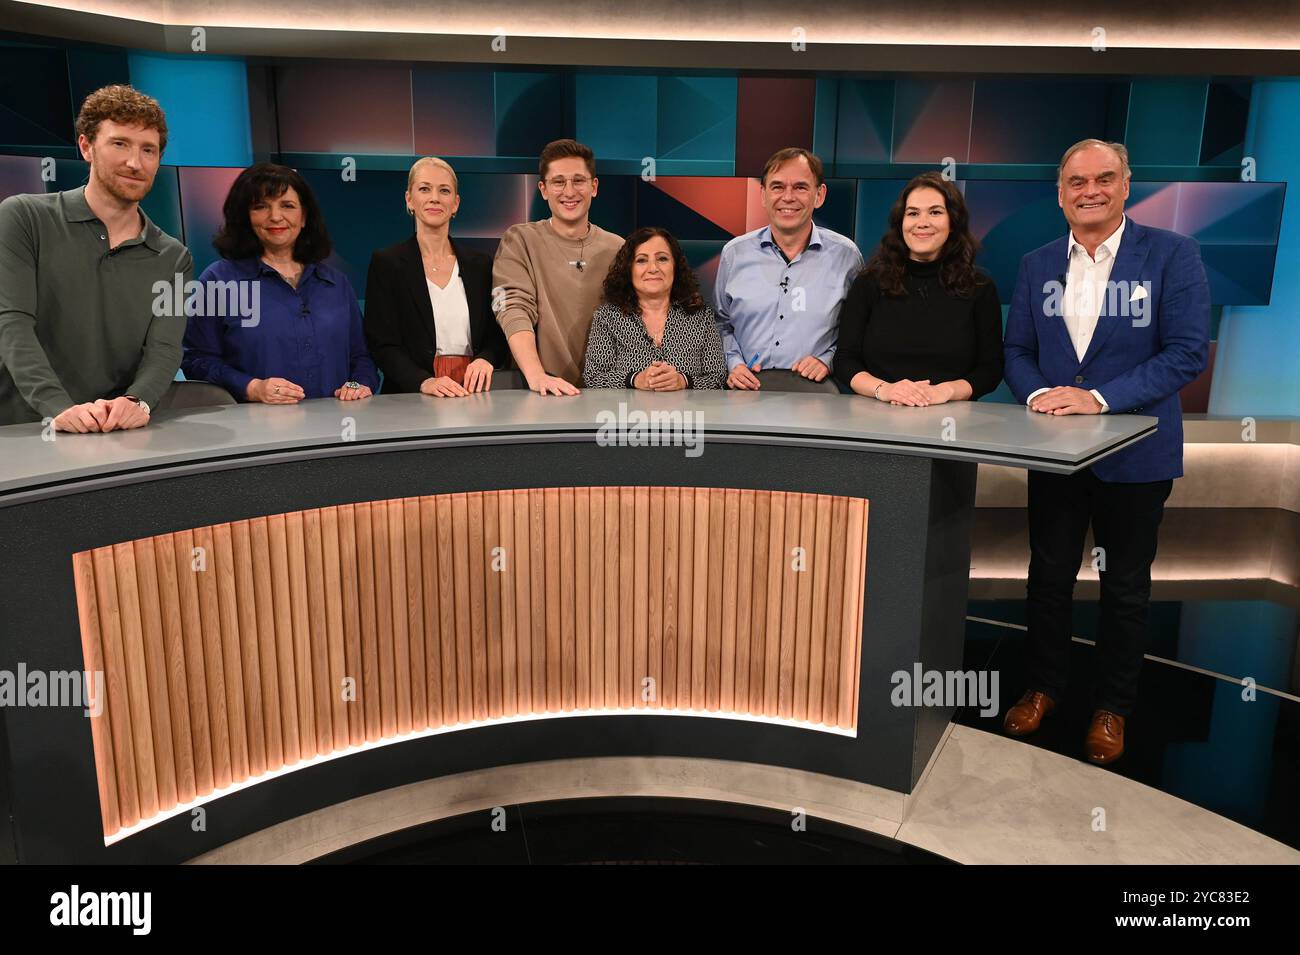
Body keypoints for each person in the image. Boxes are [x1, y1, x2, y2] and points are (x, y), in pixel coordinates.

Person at [1001, 139, 1210, 764]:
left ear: (1125, 185)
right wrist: (1039, 395)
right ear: (1060, 193)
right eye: (1075, 181)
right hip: (1057, 458)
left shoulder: (1173, 254)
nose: (1089, 190)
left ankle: (1112, 708)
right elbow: (1017, 352)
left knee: (1125, 588)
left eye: (1103, 178)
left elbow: (1186, 352)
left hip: (1137, 456)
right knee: (1048, 578)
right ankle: (1043, 688)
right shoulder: (1038, 263)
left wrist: (1098, 399)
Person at [0, 84, 191, 430]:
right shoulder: (23, 216)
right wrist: (57, 407)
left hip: (115, 433)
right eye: (120, 144)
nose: (135, 162)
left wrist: (139, 402)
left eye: (148, 149)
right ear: (86, 146)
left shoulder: (174, 256)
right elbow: (11, 322)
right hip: (21, 430)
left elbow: (164, 348)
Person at [182, 163, 378, 403]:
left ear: (304, 216)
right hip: (259, 433)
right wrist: (252, 387)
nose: (275, 216)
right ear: (245, 217)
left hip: (337, 428)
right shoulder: (218, 281)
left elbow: (362, 356)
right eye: (261, 206)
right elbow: (196, 360)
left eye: (287, 205)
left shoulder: (336, 283)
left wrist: (359, 384)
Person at [834, 171, 1003, 404]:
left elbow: (990, 369)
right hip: (877, 415)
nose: (922, 222)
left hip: (951, 421)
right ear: (901, 223)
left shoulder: (980, 287)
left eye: (935, 212)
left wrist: (945, 392)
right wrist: (886, 390)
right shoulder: (869, 283)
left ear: (953, 222)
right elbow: (845, 360)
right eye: (913, 213)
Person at [714, 147, 863, 391]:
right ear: (763, 195)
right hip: (745, 390)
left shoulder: (846, 256)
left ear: (819, 195)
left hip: (815, 393)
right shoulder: (735, 254)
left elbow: (856, 330)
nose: (788, 197)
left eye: (800, 187)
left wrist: (828, 359)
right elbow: (722, 323)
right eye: (777, 187)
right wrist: (734, 363)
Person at [364, 157, 508, 397]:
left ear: (456, 204)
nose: (434, 198)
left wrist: (486, 360)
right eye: (424, 189)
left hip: (475, 391)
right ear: (409, 200)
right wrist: (424, 382)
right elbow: (382, 344)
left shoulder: (480, 265)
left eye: (444, 190)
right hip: (410, 396)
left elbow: (497, 335)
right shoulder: (386, 263)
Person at [492, 139, 623, 395]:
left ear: (594, 186)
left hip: (607, 394)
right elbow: (512, 309)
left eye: (578, 180)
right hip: (541, 393)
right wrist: (537, 376)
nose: (569, 191)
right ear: (543, 189)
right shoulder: (519, 240)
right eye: (559, 182)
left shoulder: (619, 248)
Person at [583, 227, 726, 390]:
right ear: (629, 269)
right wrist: (636, 380)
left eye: (662, 259)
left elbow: (717, 378)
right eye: (641, 260)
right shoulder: (608, 317)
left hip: (688, 413)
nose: (653, 268)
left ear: (675, 267)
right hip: (626, 413)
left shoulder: (700, 316)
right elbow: (594, 377)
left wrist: (683, 381)